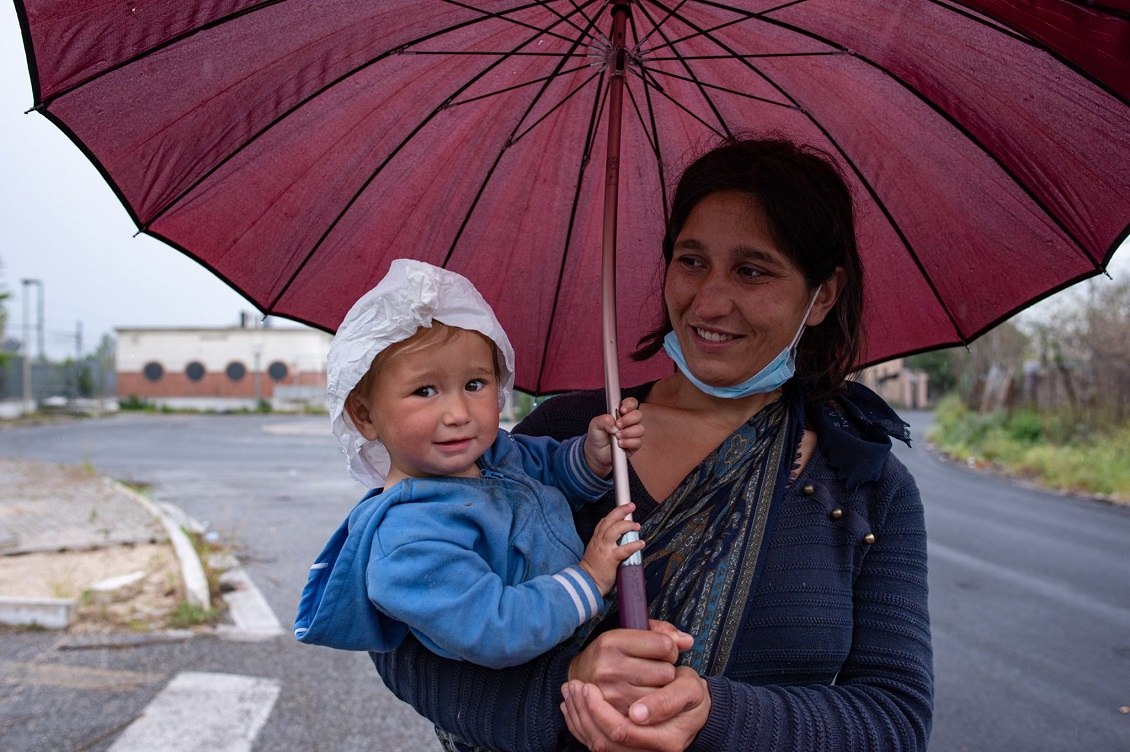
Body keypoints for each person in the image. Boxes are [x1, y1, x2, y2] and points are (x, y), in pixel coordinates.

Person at [372, 135, 934, 752]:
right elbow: (402, 641)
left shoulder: (865, 486)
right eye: (691, 261)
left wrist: (714, 714)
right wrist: (567, 687)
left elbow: (893, 721)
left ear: (822, 294)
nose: (709, 301)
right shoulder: (562, 441)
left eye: (752, 270)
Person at [294, 259, 646, 668]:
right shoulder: (409, 539)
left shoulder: (494, 454)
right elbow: (496, 628)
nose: (459, 412)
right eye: (425, 390)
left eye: (475, 384)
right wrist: (590, 576)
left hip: (577, 628)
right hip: (534, 678)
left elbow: (548, 470)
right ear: (365, 416)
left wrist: (593, 456)